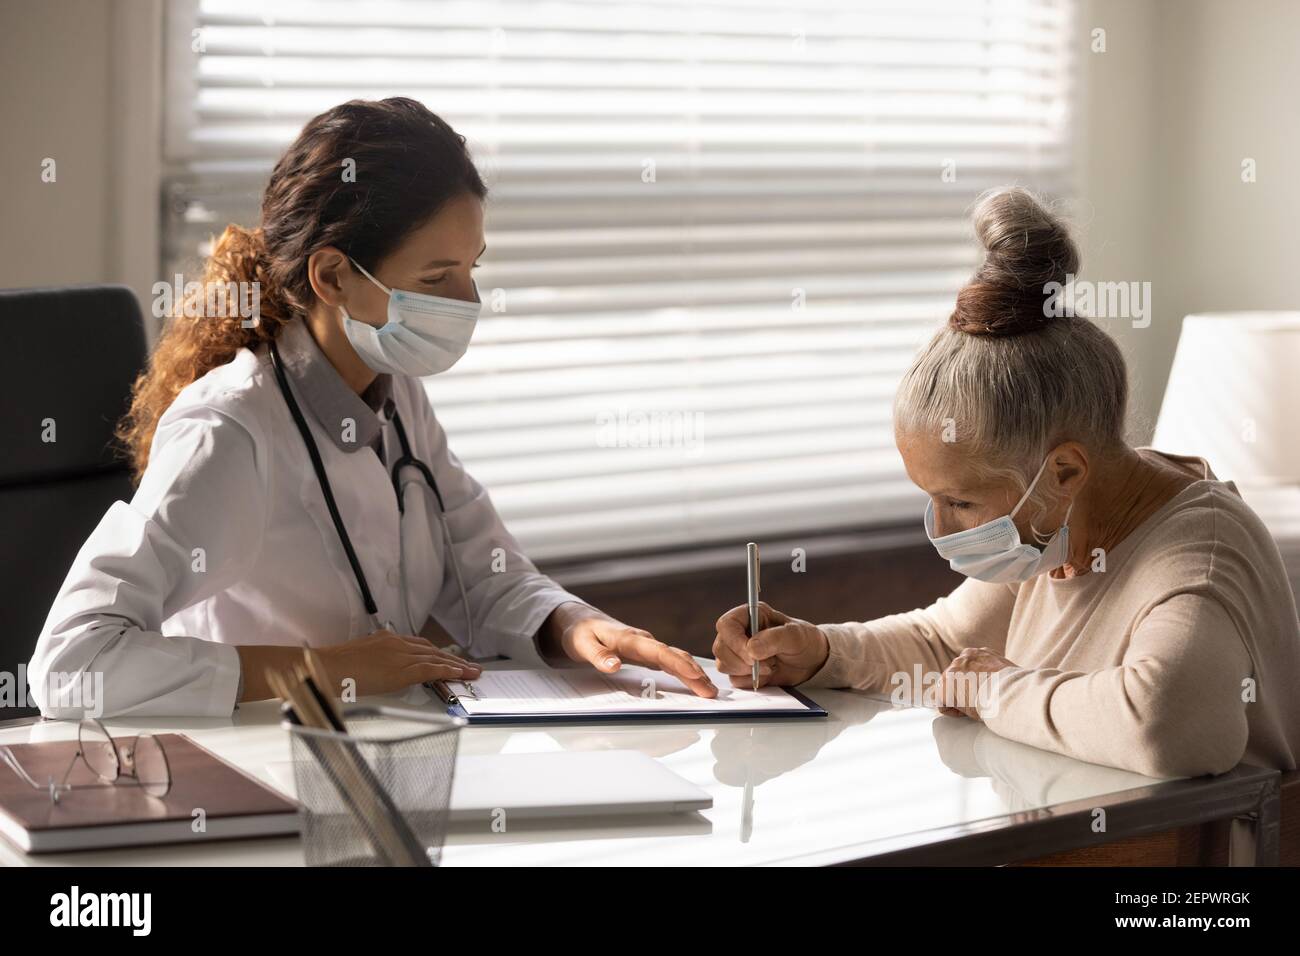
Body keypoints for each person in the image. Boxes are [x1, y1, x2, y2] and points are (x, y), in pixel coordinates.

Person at [29, 97, 715, 718]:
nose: (469, 302)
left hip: (383, 760)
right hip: (256, 782)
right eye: (435, 277)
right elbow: (71, 664)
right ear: (332, 277)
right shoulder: (230, 430)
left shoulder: (396, 392)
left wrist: (568, 625)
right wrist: (320, 672)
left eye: (471, 268)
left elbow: (480, 571)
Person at [714, 188, 1300, 778]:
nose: (940, 528)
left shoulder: (1198, 557)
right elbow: (947, 646)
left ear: (1064, 471)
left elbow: (1171, 727)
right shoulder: (1059, 529)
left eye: (960, 500)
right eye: (932, 498)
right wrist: (818, 652)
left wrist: (996, 691)